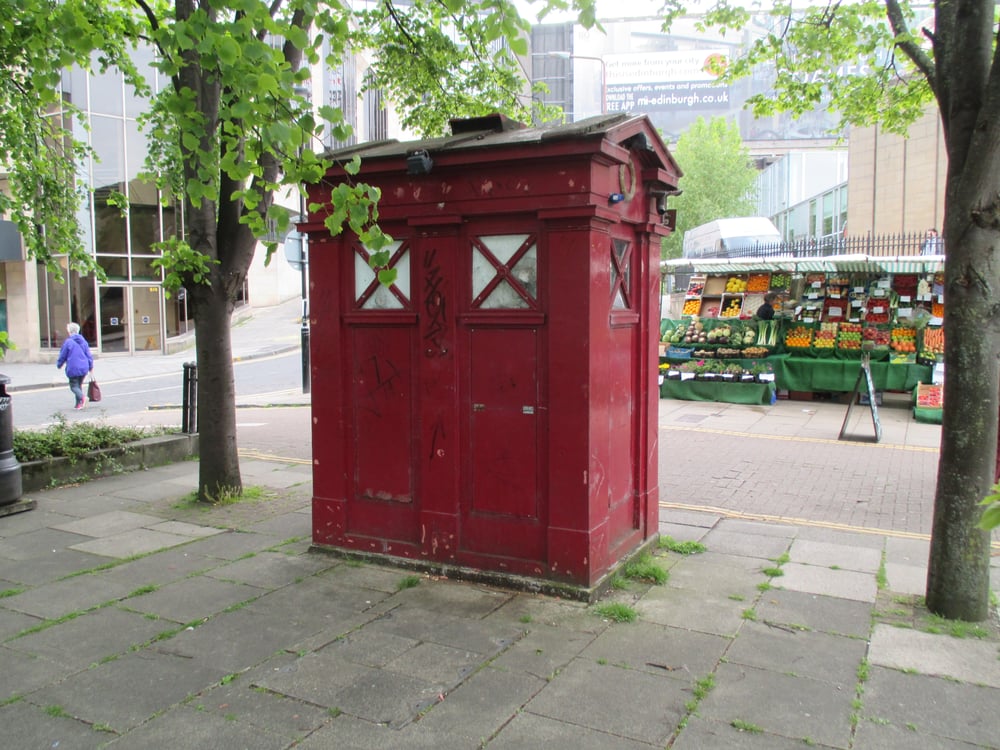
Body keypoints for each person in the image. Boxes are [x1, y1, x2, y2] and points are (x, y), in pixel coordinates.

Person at [56, 322, 94, 410]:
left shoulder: (68, 342)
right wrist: (91, 367)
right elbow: (89, 355)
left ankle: (82, 398)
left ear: (69, 331)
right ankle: (78, 404)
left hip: (73, 367)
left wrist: (59, 364)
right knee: (78, 385)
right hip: (84, 367)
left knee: (73, 386)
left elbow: (63, 355)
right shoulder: (83, 341)